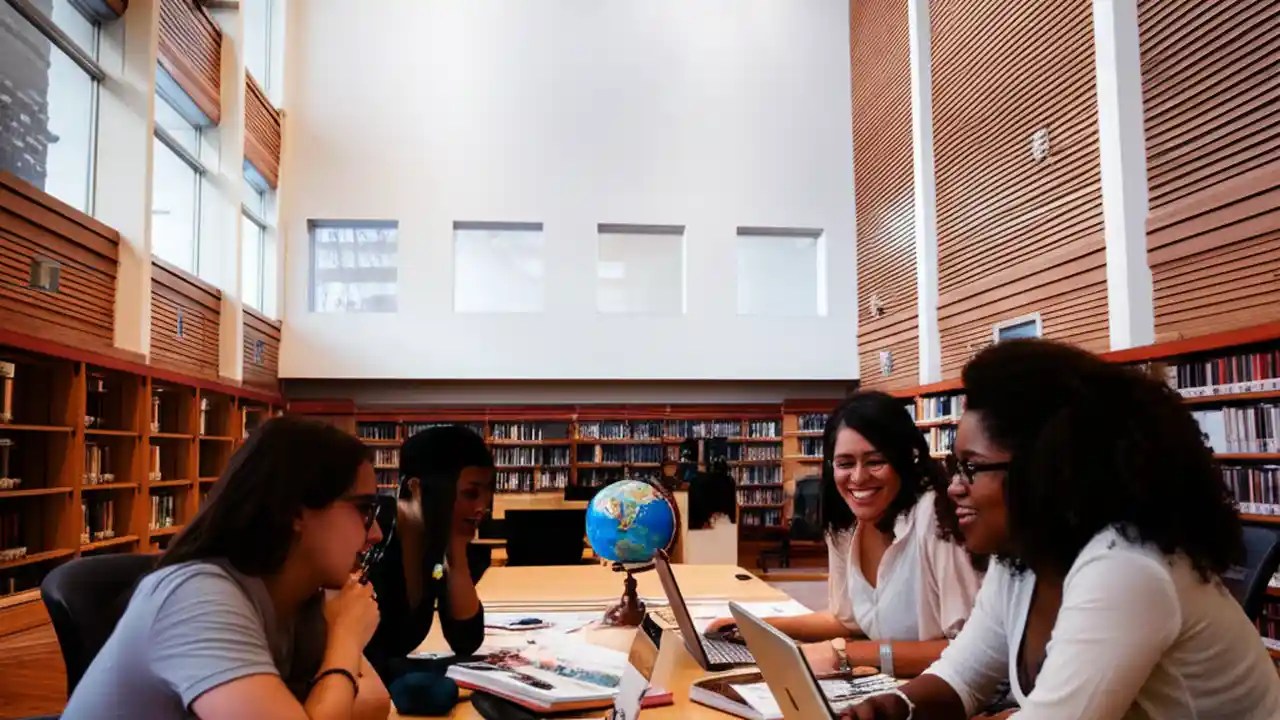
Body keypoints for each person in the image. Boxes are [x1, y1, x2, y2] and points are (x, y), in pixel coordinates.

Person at [849, 340, 1280, 720]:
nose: (955, 486)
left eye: (972, 468)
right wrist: (896, 708)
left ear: (1045, 469)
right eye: (954, 467)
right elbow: (964, 676)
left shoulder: (1125, 569)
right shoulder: (1024, 558)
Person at [63, 416, 391, 720]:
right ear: (296, 511)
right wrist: (345, 639)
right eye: (364, 508)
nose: (374, 533)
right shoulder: (199, 599)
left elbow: (374, 703)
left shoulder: (299, 599)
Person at [709, 391, 984, 677]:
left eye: (875, 461)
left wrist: (846, 655)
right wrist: (757, 627)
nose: (858, 478)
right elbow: (848, 621)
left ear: (906, 459)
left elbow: (971, 651)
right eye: (845, 463)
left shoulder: (936, 517)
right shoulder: (845, 524)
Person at [362, 425, 493, 688]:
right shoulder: (368, 534)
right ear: (417, 489)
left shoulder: (442, 546)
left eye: (487, 492)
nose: (482, 507)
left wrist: (455, 547)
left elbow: (465, 641)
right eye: (469, 493)